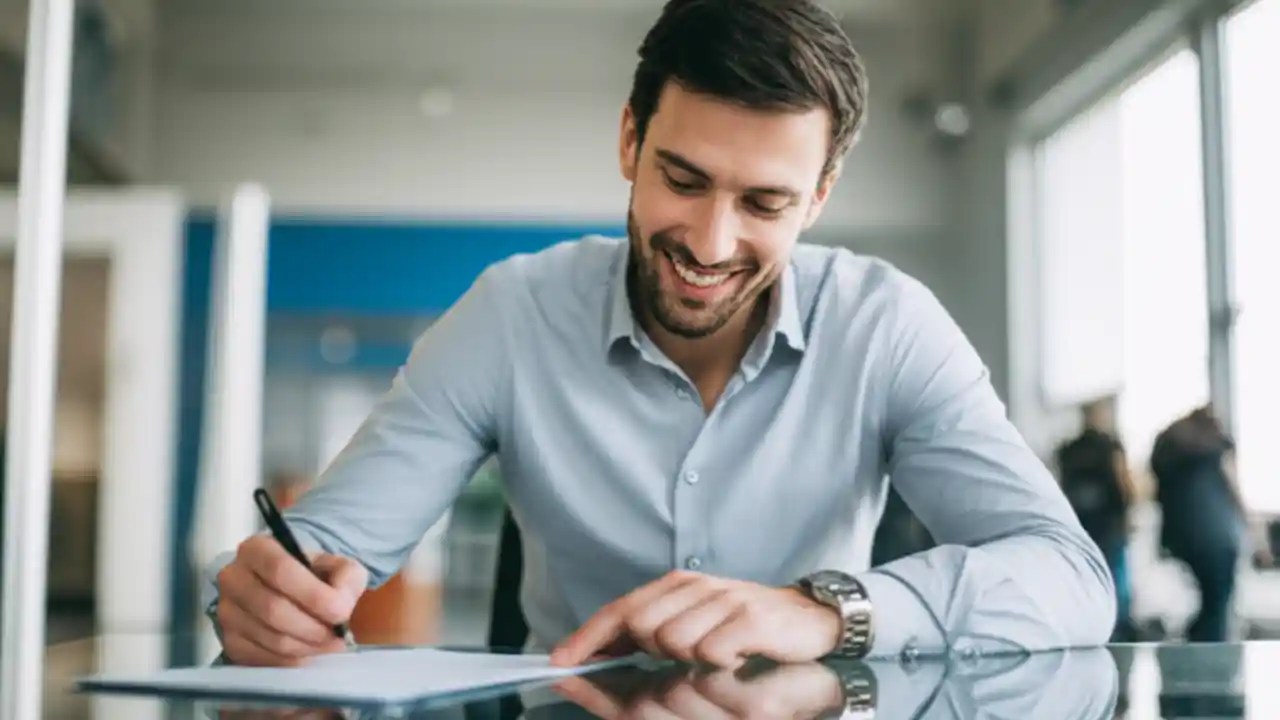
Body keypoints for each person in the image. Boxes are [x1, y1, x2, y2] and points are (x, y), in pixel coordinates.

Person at [205, 0, 1114, 669]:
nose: (711, 245)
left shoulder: (887, 327)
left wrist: (829, 612)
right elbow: (322, 554)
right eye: (684, 180)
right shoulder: (509, 315)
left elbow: (1071, 577)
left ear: (820, 197)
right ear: (631, 141)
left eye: (765, 203)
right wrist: (267, 599)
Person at [1150, 406, 1252, 642]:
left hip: (1182, 538)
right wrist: (1253, 530)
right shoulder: (1215, 447)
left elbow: (1157, 493)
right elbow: (1234, 490)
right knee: (1217, 606)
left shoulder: (1168, 446)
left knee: (1208, 602)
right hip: (1219, 538)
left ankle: (1193, 646)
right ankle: (1208, 659)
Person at [1055, 397, 1135, 640]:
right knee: (1116, 583)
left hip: (1080, 526)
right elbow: (1124, 485)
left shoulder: (1069, 450)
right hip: (1110, 526)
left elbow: (1059, 488)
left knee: (1084, 583)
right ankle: (1118, 634)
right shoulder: (1110, 446)